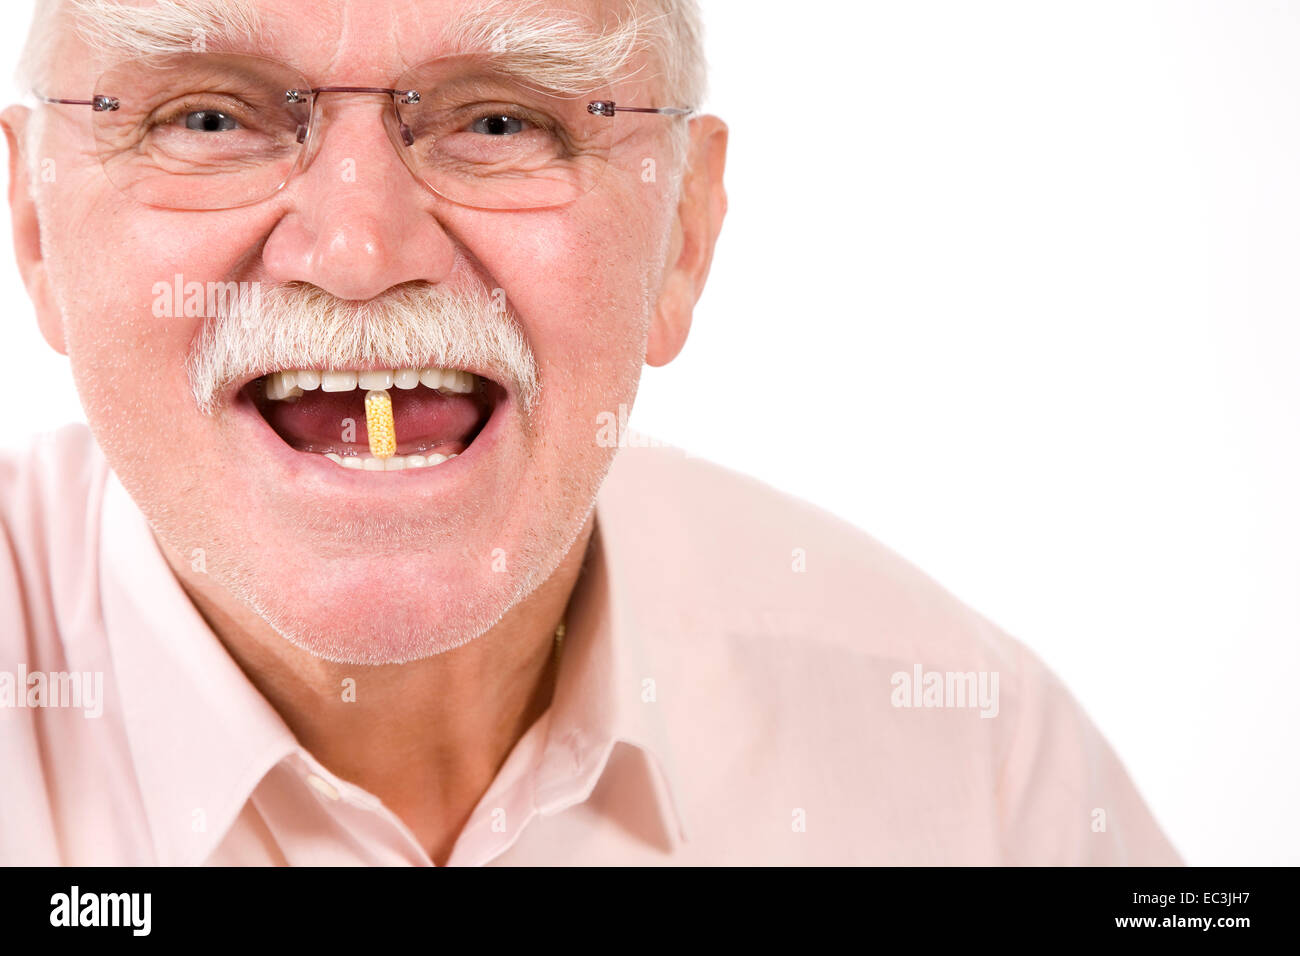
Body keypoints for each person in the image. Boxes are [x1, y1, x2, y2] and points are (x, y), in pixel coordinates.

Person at [0, 0, 1180, 865]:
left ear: (681, 236)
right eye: (209, 116)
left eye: (502, 121)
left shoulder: (973, 769)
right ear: (37, 225)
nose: (358, 254)